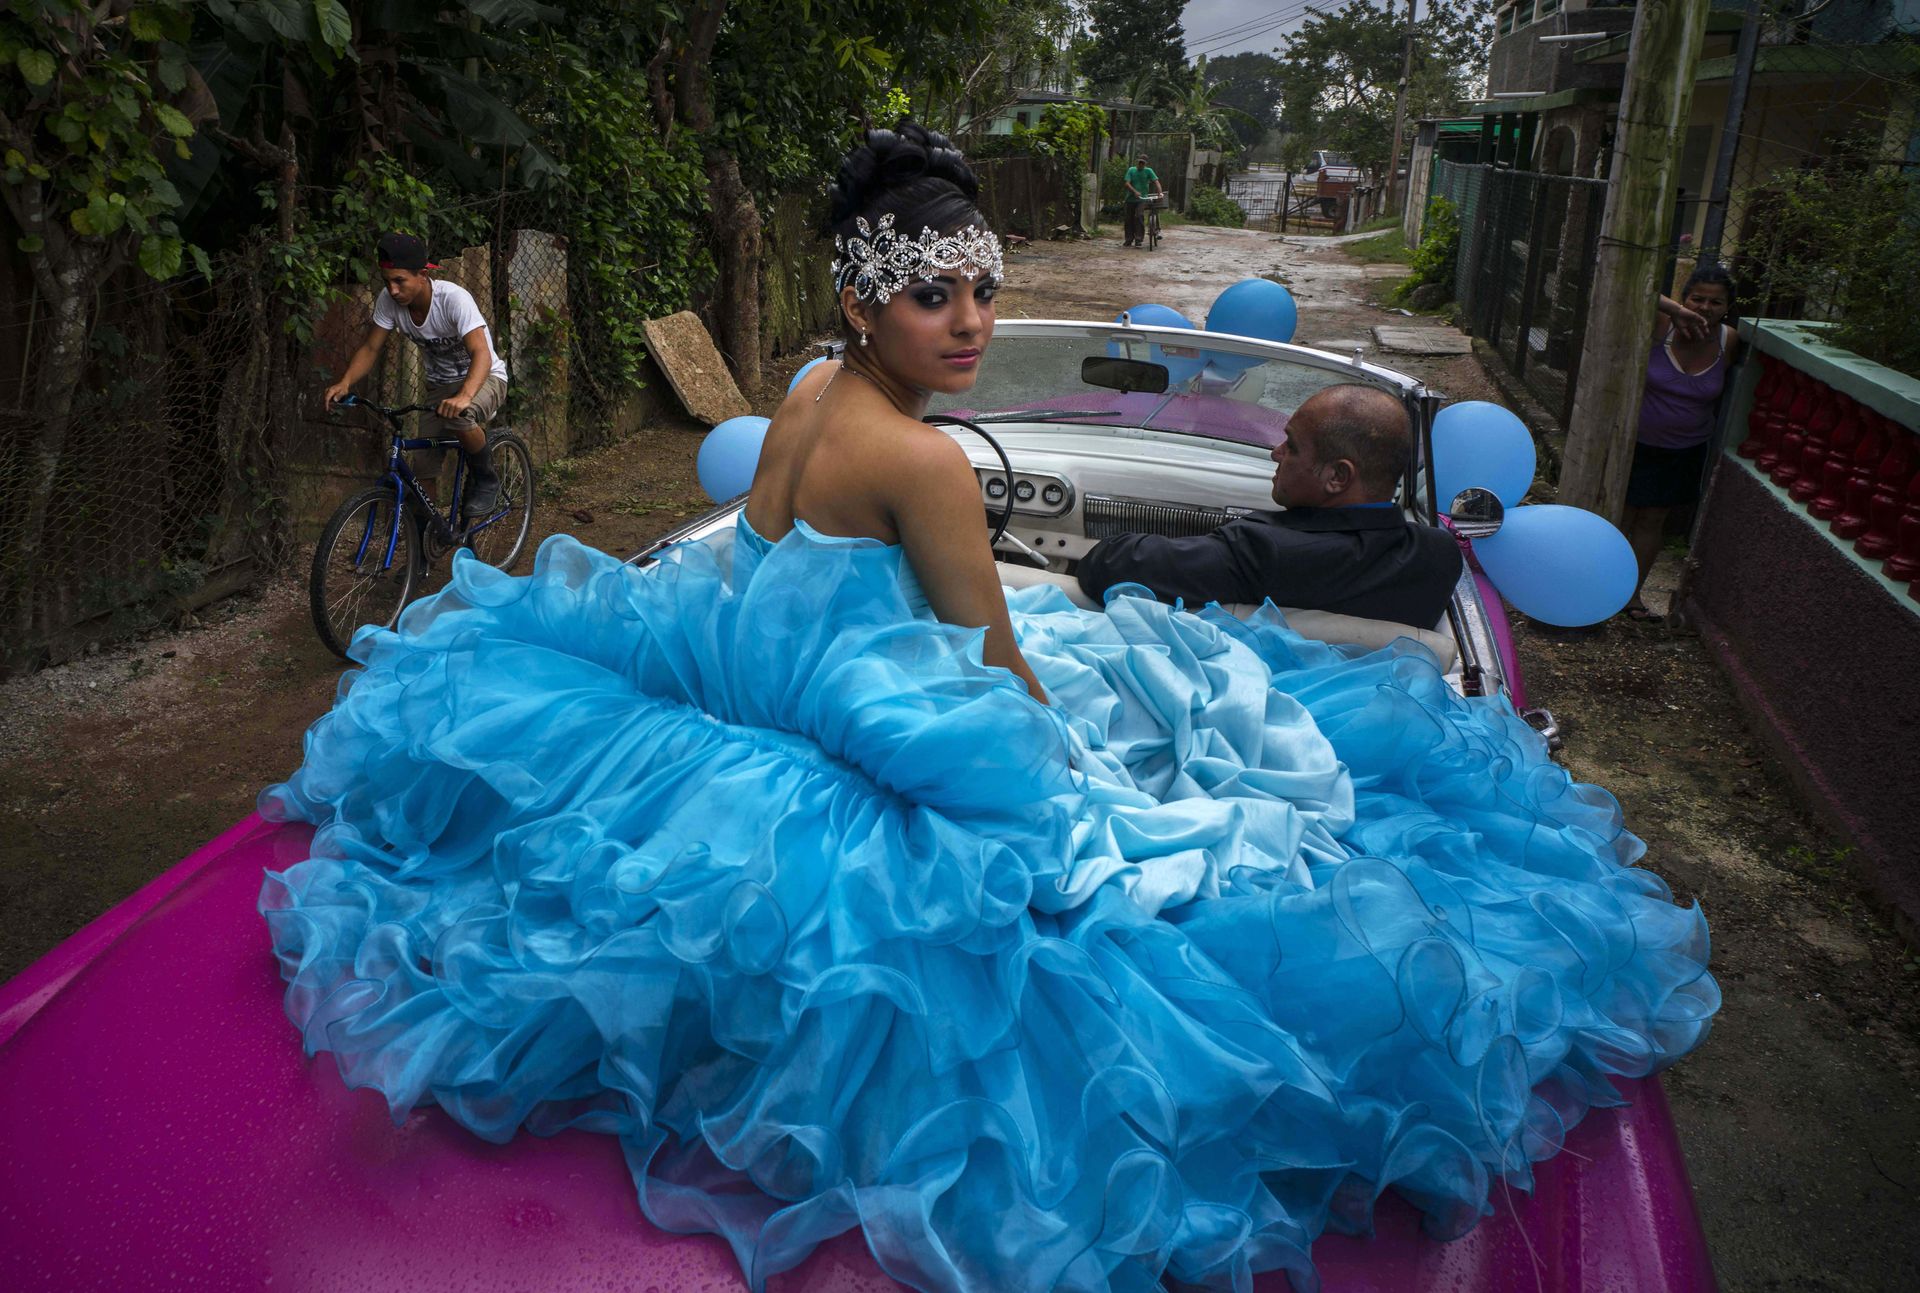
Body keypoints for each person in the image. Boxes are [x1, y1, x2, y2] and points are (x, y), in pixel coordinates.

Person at [260, 123, 1716, 1293]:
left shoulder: (822, 388)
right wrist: (1078, 761)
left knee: (1127, 662)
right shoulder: (930, 462)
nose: (969, 323)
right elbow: (997, 669)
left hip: (762, 685)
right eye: (931, 293)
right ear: (860, 298)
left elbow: (799, 572)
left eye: (982, 289)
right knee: (1159, 742)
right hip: (874, 709)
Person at [1077, 384, 1463, 627]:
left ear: (1338, 478)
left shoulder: (1262, 551)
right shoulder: (1440, 555)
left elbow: (1107, 566)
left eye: (1292, 445)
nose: (1276, 453)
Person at [323, 232, 511, 517]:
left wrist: (464, 396)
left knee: (462, 415)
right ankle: (426, 539)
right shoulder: (389, 301)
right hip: (440, 386)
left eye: (400, 281)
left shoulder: (453, 299)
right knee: (422, 466)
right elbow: (371, 347)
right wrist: (345, 381)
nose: (394, 290)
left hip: (484, 377)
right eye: (388, 282)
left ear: (422, 274)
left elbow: (481, 354)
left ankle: (486, 479)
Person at [1622, 265, 1740, 623]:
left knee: (1652, 521)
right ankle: (1599, 587)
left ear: (1727, 307)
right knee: (1622, 516)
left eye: (1715, 302)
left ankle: (1631, 597)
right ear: (1684, 297)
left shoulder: (1728, 341)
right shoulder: (1662, 324)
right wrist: (1675, 310)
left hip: (1684, 450)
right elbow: (1629, 287)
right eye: (1697, 298)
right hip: (1635, 442)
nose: (1705, 307)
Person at [1122, 152, 1163, 248]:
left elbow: (1156, 182)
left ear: (1145, 164)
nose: (1141, 164)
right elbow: (1127, 183)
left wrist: (1160, 193)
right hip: (1130, 199)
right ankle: (1128, 239)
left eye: (1143, 163)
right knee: (1129, 219)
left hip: (1142, 199)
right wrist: (1135, 191)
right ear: (1137, 162)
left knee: (1139, 215)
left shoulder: (1149, 171)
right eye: (1140, 162)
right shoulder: (1131, 170)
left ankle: (1138, 239)